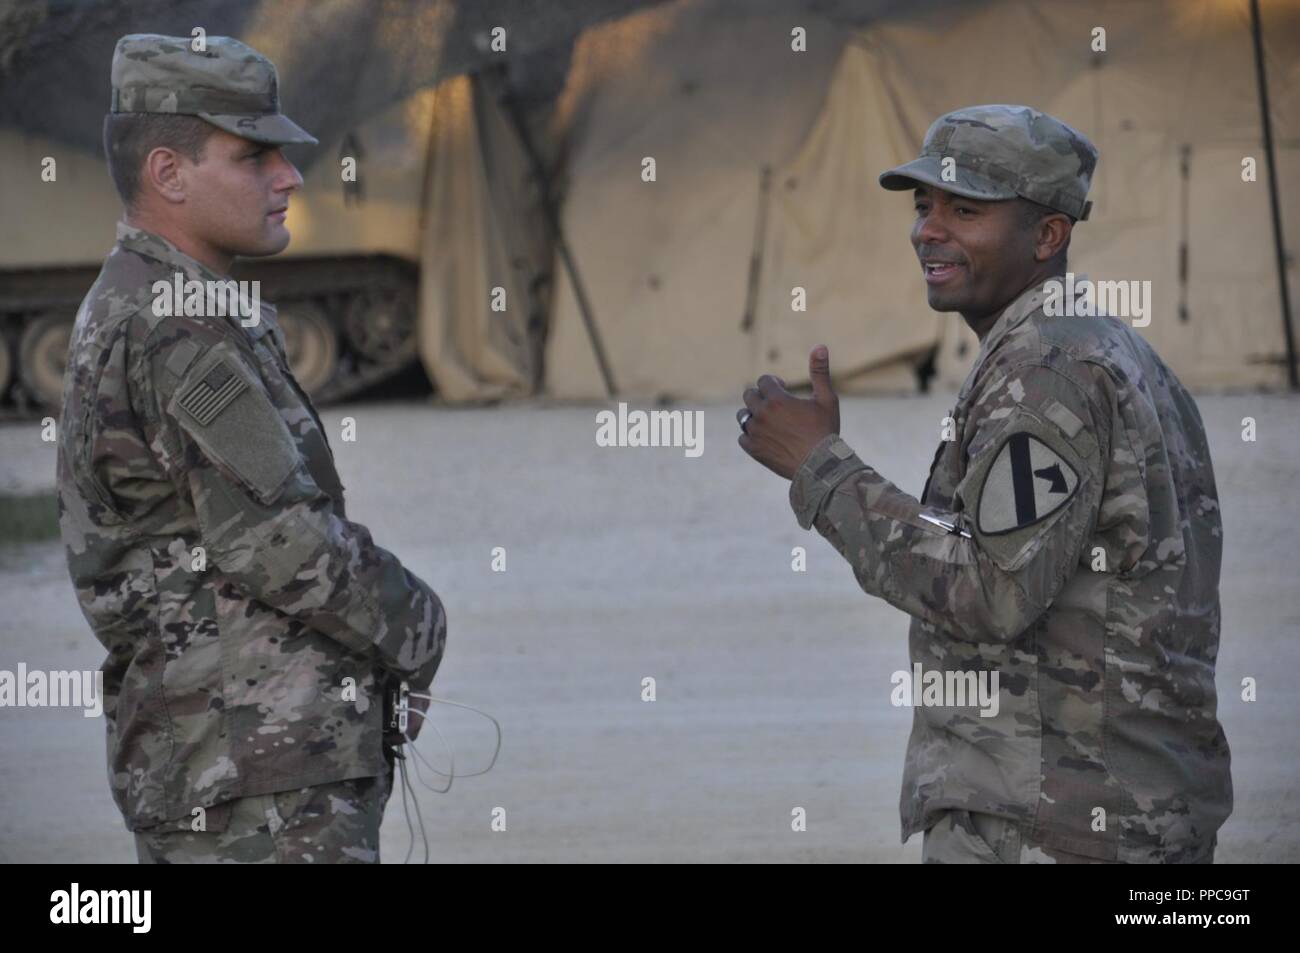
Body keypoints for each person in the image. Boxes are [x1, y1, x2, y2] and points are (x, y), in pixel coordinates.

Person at [736, 104, 1231, 864]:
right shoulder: (1098, 346)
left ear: (1047, 235)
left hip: (1050, 818)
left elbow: (990, 591)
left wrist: (822, 468)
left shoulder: (1049, 371)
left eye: (965, 209)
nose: (928, 230)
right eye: (923, 205)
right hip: (1111, 809)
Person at [57, 33, 447, 863]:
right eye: (253, 156)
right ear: (169, 173)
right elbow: (280, 540)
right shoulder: (175, 327)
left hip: (229, 761)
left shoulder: (153, 302)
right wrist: (419, 626)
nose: (289, 177)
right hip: (251, 779)